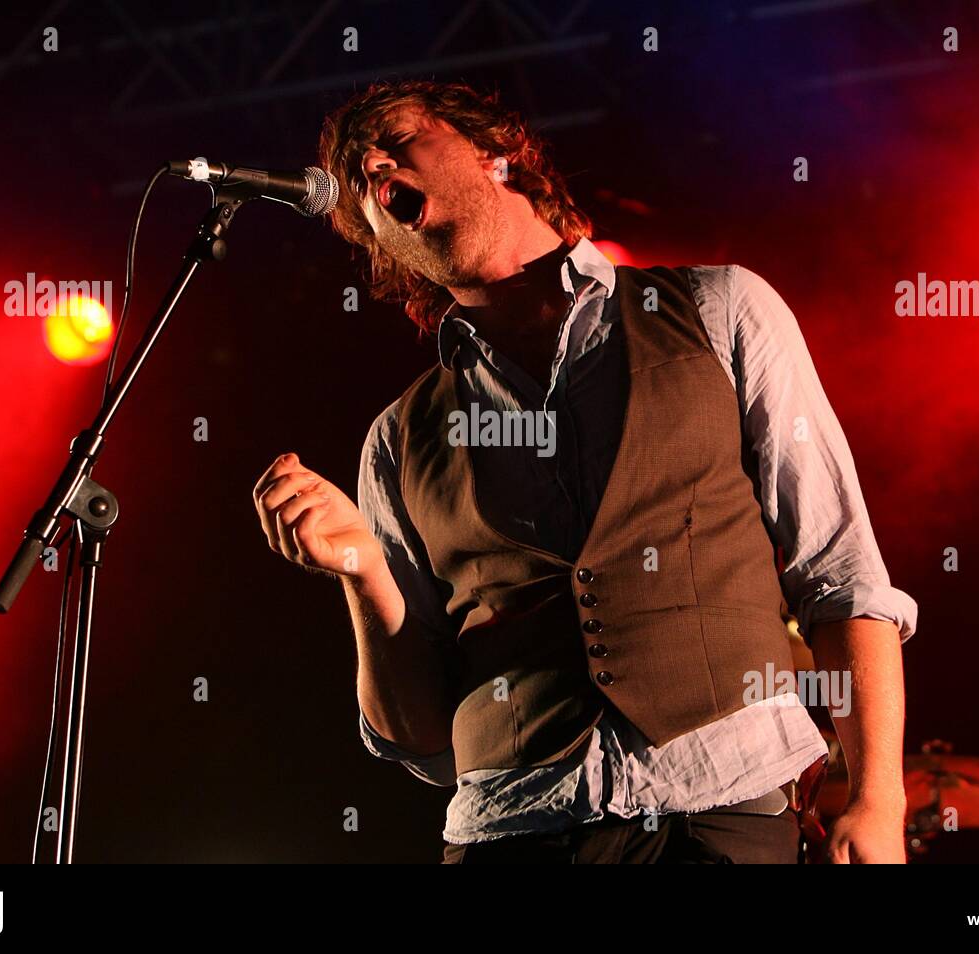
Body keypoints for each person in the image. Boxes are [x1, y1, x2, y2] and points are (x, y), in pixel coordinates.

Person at [252, 80, 917, 863]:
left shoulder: (721, 309)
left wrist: (878, 797)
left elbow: (839, 574)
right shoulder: (395, 441)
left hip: (720, 816)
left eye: (394, 141)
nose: (370, 164)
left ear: (498, 152)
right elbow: (419, 734)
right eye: (358, 177)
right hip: (510, 837)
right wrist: (362, 575)